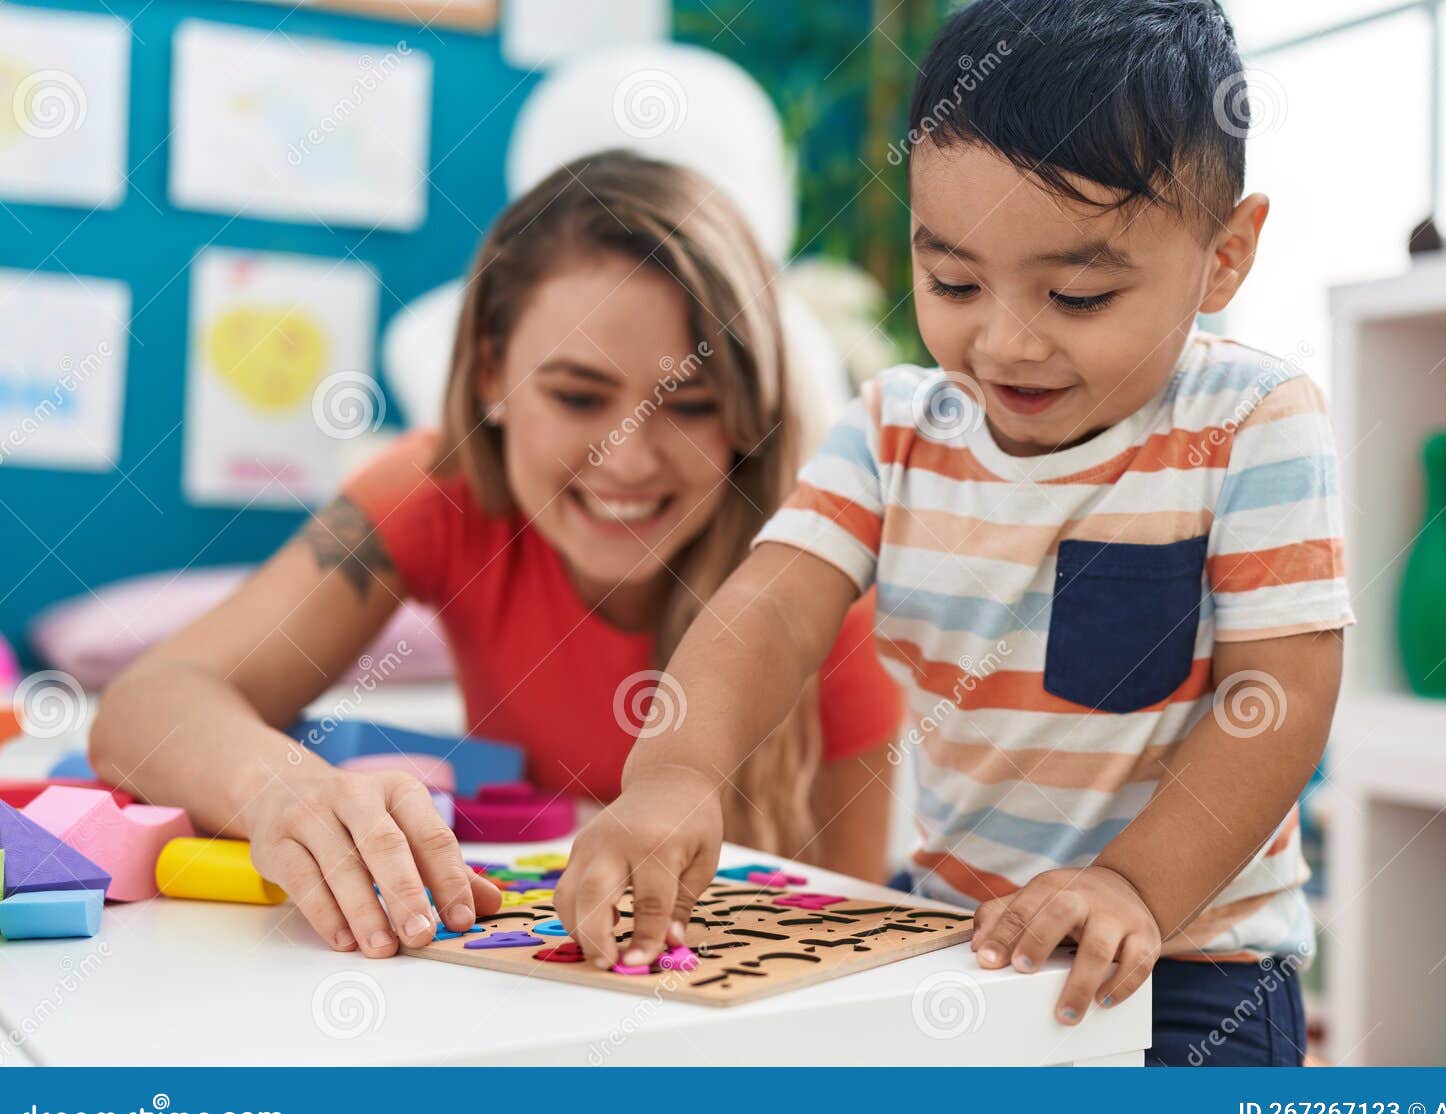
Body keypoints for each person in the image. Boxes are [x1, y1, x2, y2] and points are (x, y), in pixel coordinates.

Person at [557, 2, 1351, 1067]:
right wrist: (675, 769)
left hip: (1190, 961)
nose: (1006, 342)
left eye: (1078, 294)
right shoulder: (894, 427)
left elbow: (1280, 697)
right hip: (958, 934)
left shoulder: (1252, 420)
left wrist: (1132, 885)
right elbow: (770, 610)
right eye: (954, 283)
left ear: (1224, 256)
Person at [91, 151, 904, 960]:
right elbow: (146, 704)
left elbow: (853, 944)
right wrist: (286, 790)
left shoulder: (821, 586)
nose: (627, 457)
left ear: (747, 413)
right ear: (491, 373)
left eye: (690, 405)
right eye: (577, 396)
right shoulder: (436, 493)